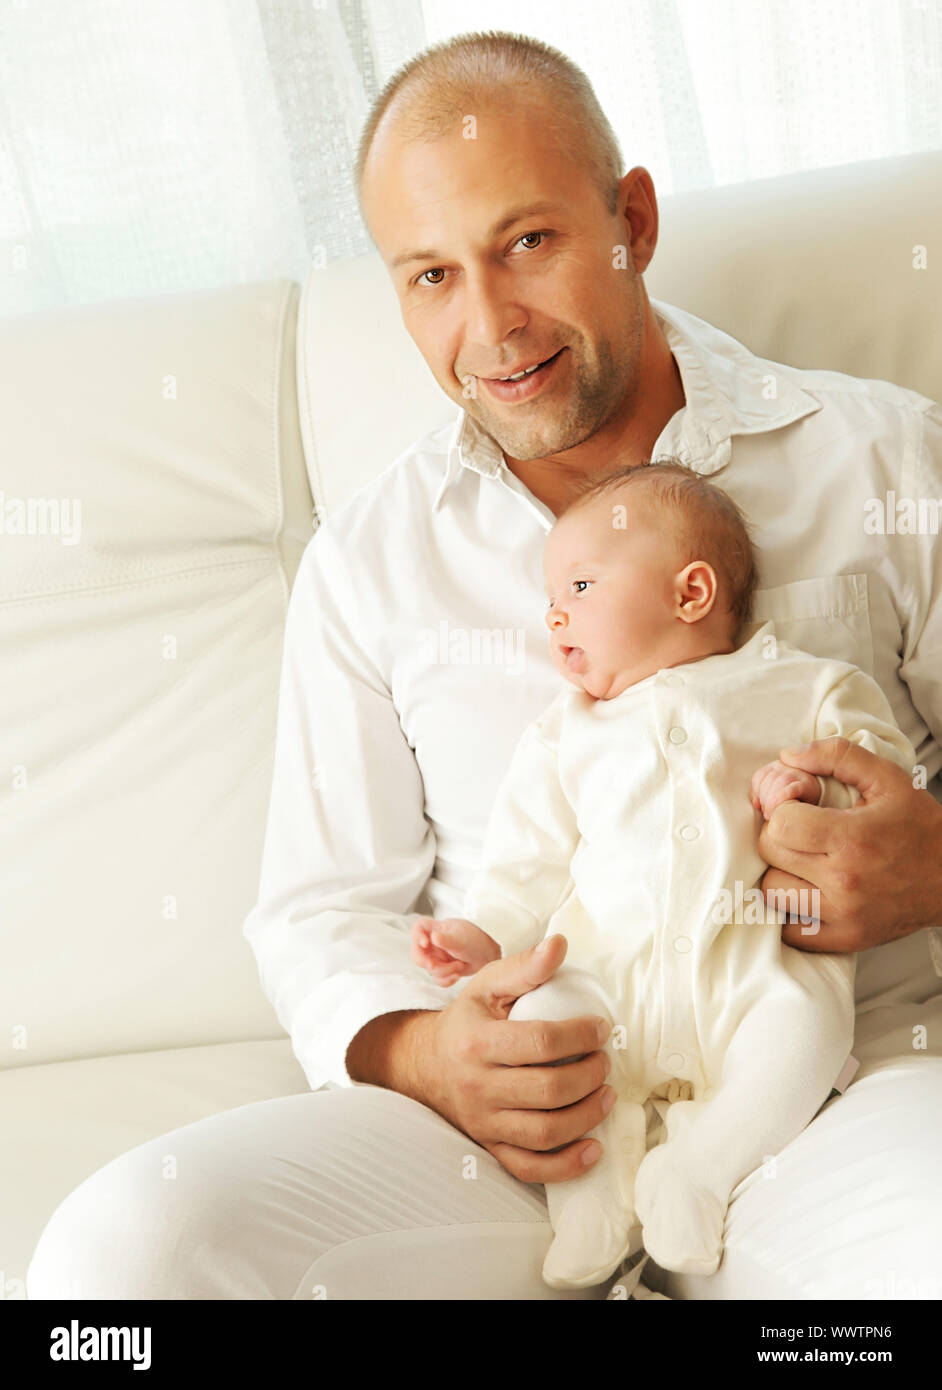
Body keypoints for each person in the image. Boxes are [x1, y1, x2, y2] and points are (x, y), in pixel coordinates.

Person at [25, 30, 942, 1303]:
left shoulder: (881, 455)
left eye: (528, 244)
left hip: (835, 1084)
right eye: (430, 275)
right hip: (522, 1127)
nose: (490, 325)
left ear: (631, 219)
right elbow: (320, 912)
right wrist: (420, 1051)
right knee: (122, 1257)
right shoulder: (369, 565)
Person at [411, 458, 917, 1290]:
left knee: (806, 1034)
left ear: (690, 594)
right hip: (606, 977)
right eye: (549, 599)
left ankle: (701, 1170)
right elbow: (525, 861)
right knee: (551, 1014)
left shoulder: (808, 686)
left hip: (750, 972)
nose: (553, 615)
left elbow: (883, 786)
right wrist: (481, 935)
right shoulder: (566, 730)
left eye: (579, 586)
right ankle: (593, 1193)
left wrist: (815, 791)